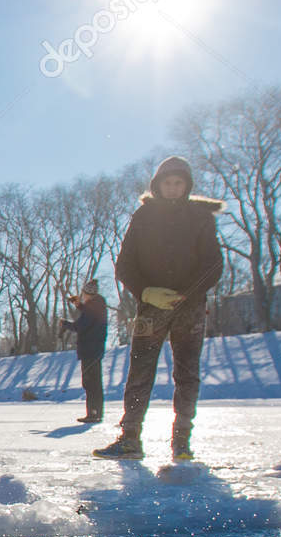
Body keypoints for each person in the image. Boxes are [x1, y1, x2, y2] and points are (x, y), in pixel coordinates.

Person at [95, 155, 223, 461]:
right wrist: (145, 291)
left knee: (187, 373)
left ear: (187, 185)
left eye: (179, 182)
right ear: (157, 185)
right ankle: (130, 439)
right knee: (139, 371)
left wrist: (187, 294)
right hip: (149, 308)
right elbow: (125, 264)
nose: (173, 187)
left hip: (190, 309)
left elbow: (213, 265)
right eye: (167, 182)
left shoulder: (201, 218)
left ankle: (182, 443)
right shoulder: (143, 217)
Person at [60, 279, 109, 423]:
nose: (83, 296)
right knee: (94, 382)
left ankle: (93, 414)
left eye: (84, 294)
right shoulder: (98, 305)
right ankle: (96, 413)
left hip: (90, 350)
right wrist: (78, 305)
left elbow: (80, 325)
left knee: (90, 383)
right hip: (95, 349)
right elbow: (89, 314)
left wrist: (65, 324)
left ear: (88, 294)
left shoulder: (93, 307)